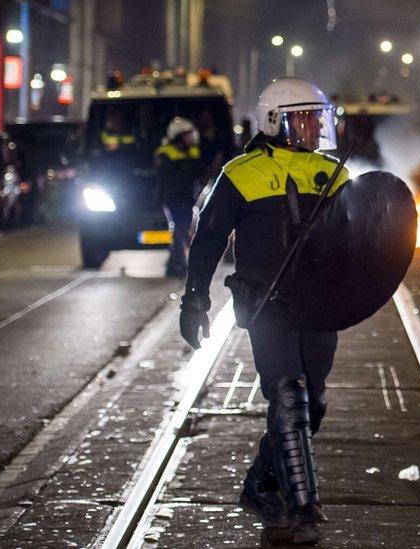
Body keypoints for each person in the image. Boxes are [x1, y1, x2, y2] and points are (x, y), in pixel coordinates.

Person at [179, 77, 349, 545]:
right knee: (288, 395)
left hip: (317, 305)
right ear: (277, 120)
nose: (315, 128)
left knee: (311, 403)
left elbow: (354, 242)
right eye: (306, 118)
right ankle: (304, 508)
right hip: (264, 302)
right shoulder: (241, 172)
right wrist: (195, 298)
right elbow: (210, 237)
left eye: (319, 118)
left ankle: (259, 485)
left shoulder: (335, 173)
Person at [155, 117, 205, 277]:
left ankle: (173, 263)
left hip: (188, 197)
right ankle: (179, 264)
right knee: (180, 229)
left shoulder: (193, 151)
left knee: (181, 230)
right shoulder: (166, 153)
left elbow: (198, 172)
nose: (192, 137)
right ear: (178, 136)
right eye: (187, 134)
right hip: (173, 197)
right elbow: (169, 178)